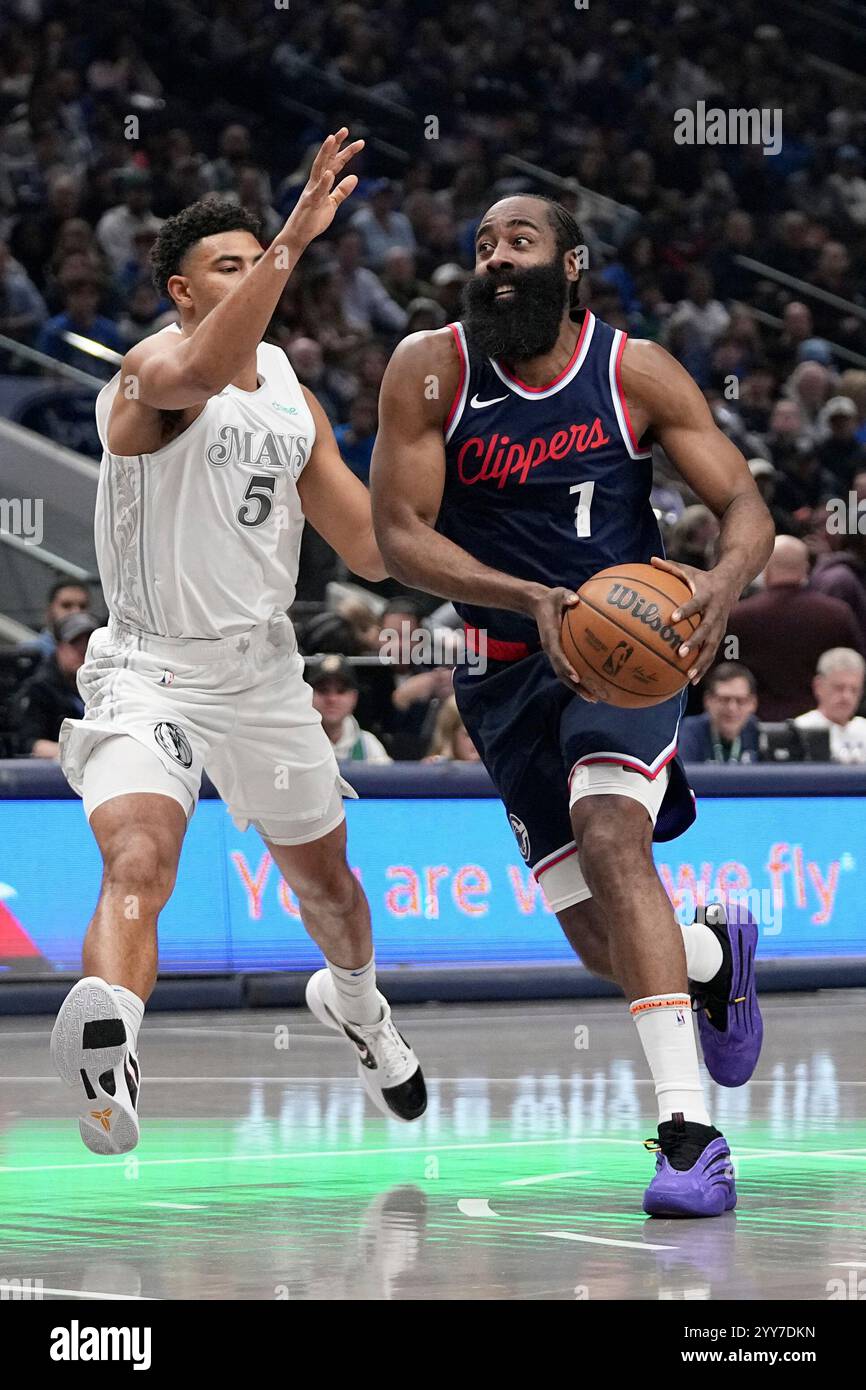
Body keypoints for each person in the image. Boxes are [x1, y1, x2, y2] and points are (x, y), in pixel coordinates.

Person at [372, 192, 775, 1218]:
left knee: (610, 833)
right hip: (502, 667)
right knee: (602, 940)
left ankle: (689, 1138)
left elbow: (741, 505)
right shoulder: (429, 370)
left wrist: (717, 585)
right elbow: (399, 535)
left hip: (626, 658)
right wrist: (525, 598)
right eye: (482, 246)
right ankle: (709, 953)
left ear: (570, 266)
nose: (496, 258)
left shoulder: (629, 369)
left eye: (519, 241)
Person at [50, 131, 426, 1159]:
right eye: (232, 262)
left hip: (260, 674)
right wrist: (297, 237)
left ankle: (358, 1008)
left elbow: (370, 548)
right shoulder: (145, 377)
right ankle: (111, 1060)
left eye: (259, 258)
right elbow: (210, 362)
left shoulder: (293, 401)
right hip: (146, 671)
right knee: (137, 858)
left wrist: (442, 469)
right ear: (179, 288)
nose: (257, 271)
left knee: (328, 891)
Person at [727, 535, 863, 720]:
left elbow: (723, 672)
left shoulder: (738, 618)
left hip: (759, 723)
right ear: (806, 570)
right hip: (821, 726)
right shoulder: (837, 615)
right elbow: (856, 666)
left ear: (765, 570)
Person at [13, 612, 99, 758]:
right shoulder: (38, 690)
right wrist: (81, 756)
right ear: (59, 647)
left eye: (89, 643)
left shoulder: (109, 686)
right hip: (54, 774)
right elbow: (32, 744)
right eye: (75, 643)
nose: (83, 650)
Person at [307, 655, 391, 763]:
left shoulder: (368, 745)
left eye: (341, 691)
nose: (332, 699)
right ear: (307, 695)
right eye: (323, 691)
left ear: (354, 698)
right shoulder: (294, 744)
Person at [794, 648, 866, 764]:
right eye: (839, 688)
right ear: (818, 686)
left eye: (854, 690)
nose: (846, 696)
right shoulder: (799, 731)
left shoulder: (864, 730)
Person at [679, 662, 760, 764]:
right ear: (708, 701)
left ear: (753, 703)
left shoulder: (758, 732)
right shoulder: (691, 731)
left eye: (740, 700)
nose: (732, 708)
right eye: (724, 699)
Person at [18, 578, 91, 659]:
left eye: (83, 606)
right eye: (66, 605)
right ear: (49, 611)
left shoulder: (94, 651)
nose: (76, 612)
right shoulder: (29, 652)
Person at [422, 696, 481, 763]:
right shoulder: (432, 769)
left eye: (483, 733)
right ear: (450, 735)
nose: (479, 739)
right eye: (468, 735)